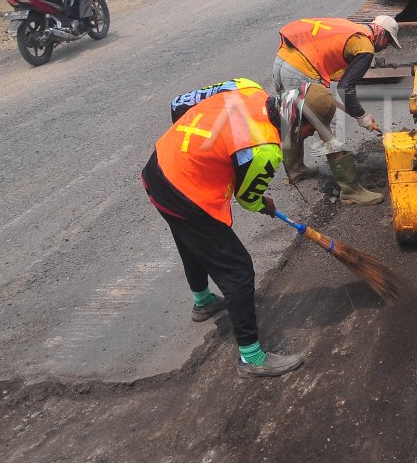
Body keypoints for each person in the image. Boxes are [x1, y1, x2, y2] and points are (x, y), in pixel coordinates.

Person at [142, 79, 339, 377]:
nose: (310, 136)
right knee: (238, 270)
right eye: (312, 129)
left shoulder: (246, 88)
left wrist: (195, 149)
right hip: (185, 192)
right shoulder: (264, 149)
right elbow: (247, 198)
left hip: (159, 167)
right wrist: (264, 203)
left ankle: (203, 302)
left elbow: (180, 103)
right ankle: (251, 358)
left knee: (190, 239)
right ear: (296, 119)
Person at [271, 15, 402, 205]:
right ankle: (351, 190)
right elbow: (345, 87)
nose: (385, 47)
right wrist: (361, 116)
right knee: (325, 123)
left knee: (290, 115)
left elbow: (342, 86)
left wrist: (357, 112)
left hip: (282, 60)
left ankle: (295, 170)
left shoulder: (352, 29)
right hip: (301, 69)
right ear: (381, 33)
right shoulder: (365, 46)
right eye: (388, 41)